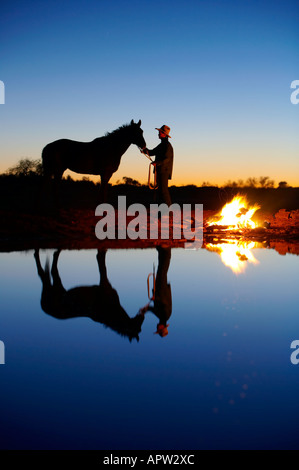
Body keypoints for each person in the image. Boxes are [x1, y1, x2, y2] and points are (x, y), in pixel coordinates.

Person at [143, 125, 173, 206]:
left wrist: (157, 163)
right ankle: (161, 211)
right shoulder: (162, 145)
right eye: (159, 132)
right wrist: (145, 150)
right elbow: (152, 152)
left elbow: (167, 159)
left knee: (164, 191)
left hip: (164, 171)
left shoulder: (167, 145)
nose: (158, 133)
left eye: (160, 132)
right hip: (159, 170)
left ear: (164, 134)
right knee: (160, 191)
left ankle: (169, 211)